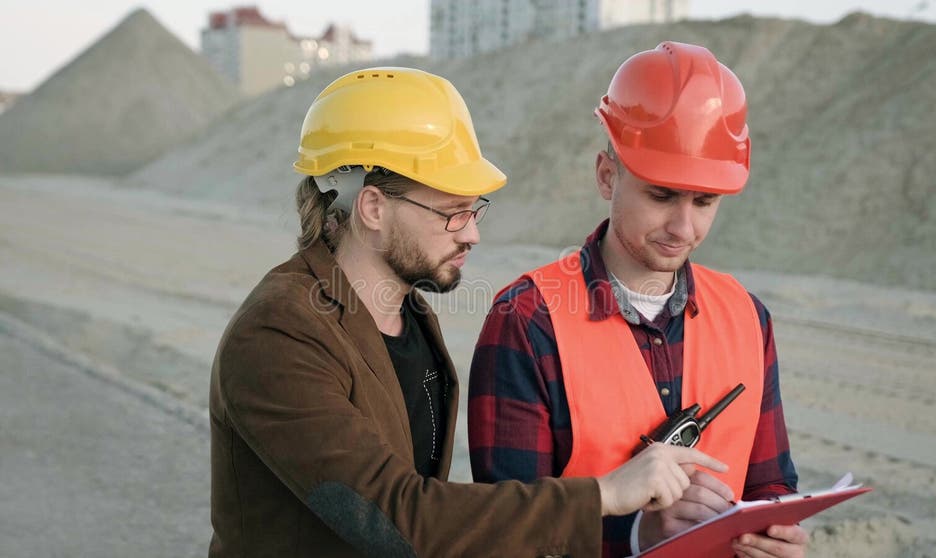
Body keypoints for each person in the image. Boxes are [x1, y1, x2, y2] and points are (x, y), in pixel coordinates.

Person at [208, 66, 728, 558]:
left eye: (473, 211)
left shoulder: (406, 315)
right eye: (452, 213)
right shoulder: (279, 333)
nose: (473, 233)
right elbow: (397, 517)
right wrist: (603, 496)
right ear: (372, 208)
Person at [468, 43, 809, 558]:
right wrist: (634, 536)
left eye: (705, 202)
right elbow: (506, 535)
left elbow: (770, 485)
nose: (683, 227)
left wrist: (776, 533)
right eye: (662, 195)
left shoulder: (748, 318)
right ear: (608, 175)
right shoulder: (527, 319)